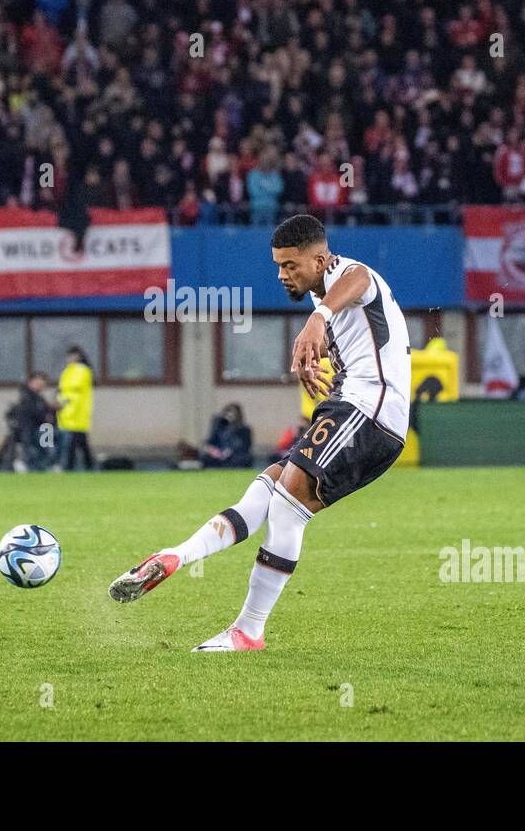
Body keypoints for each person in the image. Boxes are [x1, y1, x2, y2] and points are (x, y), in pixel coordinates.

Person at [109, 214, 411, 652]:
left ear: (320, 259)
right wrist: (318, 349)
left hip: (373, 412)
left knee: (289, 503)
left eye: (291, 265)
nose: (282, 274)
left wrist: (319, 319)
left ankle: (249, 630)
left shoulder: (347, 274)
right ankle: (176, 556)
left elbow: (360, 279)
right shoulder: (325, 297)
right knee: (270, 485)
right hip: (349, 406)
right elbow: (354, 335)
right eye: (278, 265)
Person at [55, 346, 94, 471]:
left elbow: (73, 388)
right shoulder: (67, 370)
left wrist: (65, 400)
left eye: (72, 356)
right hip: (67, 412)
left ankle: (73, 466)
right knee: (76, 442)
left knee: (77, 442)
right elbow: (62, 388)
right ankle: (80, 466)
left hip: (77, 411)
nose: (69, 359)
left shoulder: (83, 370)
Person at [12, 372, 56, 473]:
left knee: (57, 433)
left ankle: (47, 464)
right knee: (46, 433)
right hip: (27, 428)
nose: (41, 385)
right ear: (31, 382)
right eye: (38, 382)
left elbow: (47, 412)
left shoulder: (39, 398)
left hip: (39, 427)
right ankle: (27, 463)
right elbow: (33, 413)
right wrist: (45, 418)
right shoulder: (26, 396)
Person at [201, 404, 254, 469]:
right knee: (205, 456)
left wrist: (230, 451)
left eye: (233, 413)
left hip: (235, 455)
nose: (230, 416)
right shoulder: (219, 428)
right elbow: (210, 441)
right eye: (228, 412)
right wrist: (212, 450)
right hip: (218, 454)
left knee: (244, 458)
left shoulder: (244, 429)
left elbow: (245, 446)